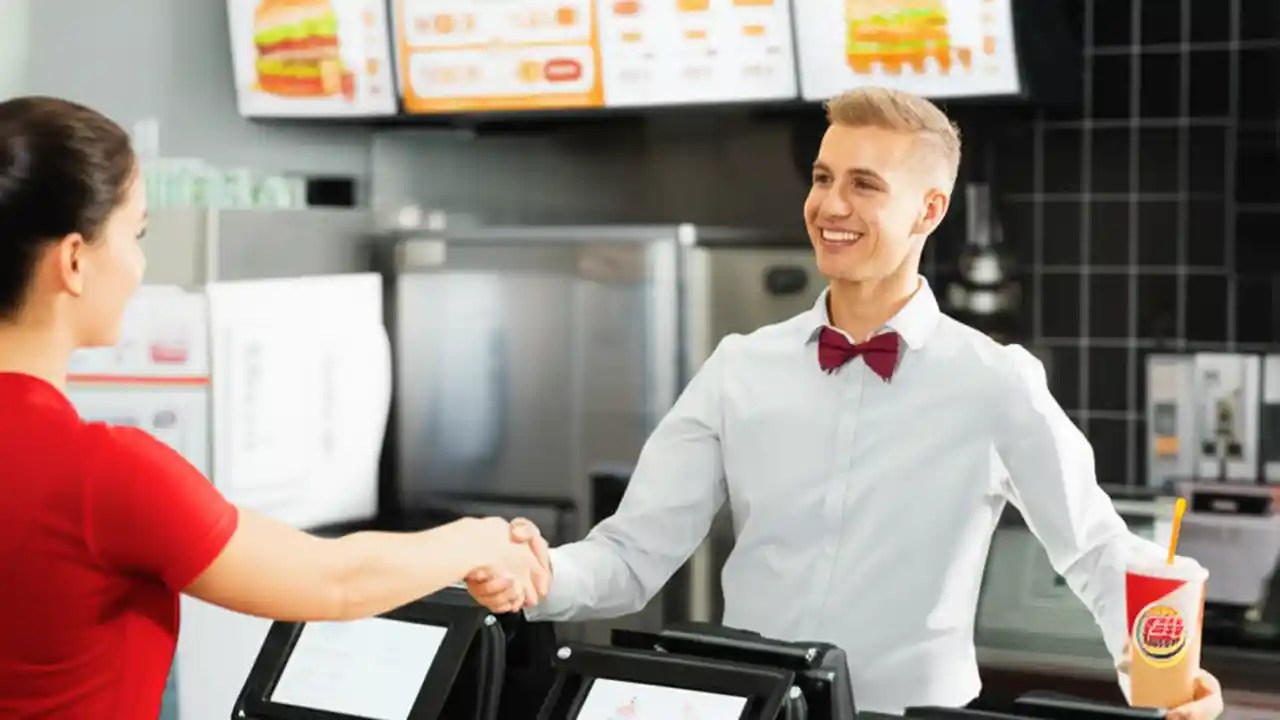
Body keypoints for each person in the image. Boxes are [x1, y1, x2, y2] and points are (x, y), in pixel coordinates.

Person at [467, 87, 1225, 719]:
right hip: (753, 705)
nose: (830, 204)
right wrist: (533, 575)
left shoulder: (996, 380)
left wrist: (1167, 676)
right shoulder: (741, 368)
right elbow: (631, 556)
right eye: (823, 177)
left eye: (864, 184)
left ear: (928, 211)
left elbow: (1096, 550)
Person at [0, 96, 550, 718]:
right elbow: (333, 580)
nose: (141, 263)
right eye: (137, 233)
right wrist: (475, 541)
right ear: (74, 261)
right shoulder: (102, 473)